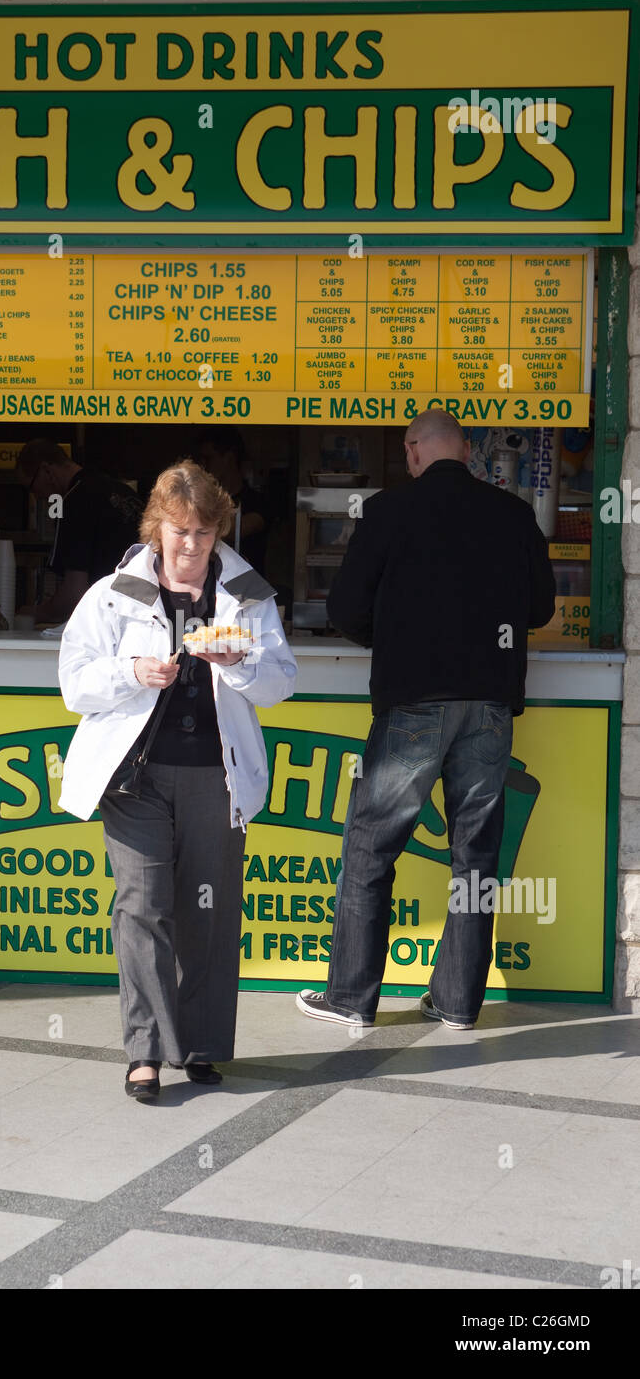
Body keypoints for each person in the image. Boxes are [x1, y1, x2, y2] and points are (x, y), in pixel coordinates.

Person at [296, 409, 556, 1032]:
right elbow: (541, 609)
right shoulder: (514, 514)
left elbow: (344, 606)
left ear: (414, 451)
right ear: (465, 451)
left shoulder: (387, 512)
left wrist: (389, 638)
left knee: (371, 848)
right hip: (490, 705)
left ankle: (352, 997)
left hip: (413, 703)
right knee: (476, 855)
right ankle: (458, 1002)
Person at [57, 460, 298, 1100]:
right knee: (141, 908)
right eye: (179, 531)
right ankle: (145, 1053)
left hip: (215, 779)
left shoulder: (249, 597)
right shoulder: (115, 593)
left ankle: (200, 1047)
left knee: (209, 916)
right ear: (157, 528)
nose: (190, 546)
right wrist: (132, 672)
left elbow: (281, 683)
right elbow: (73, 683)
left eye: (203, 532)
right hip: (134, 776)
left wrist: (240, 662)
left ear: (220, 531)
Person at [16, 439, 143, 624]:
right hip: (146, 614)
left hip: (108, 620)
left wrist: (36, 614)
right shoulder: (124, 492)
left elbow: (74, 594)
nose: (38, 497)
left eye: (32, 487)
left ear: (47, 471)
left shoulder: (74, 502)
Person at [195, 429, 271, 576]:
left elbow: (235, 531)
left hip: (247, 589)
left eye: (209, 458)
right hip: (208, 586)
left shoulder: (258, 502)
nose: (203, 466)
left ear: (229, 458)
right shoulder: (203, 500)